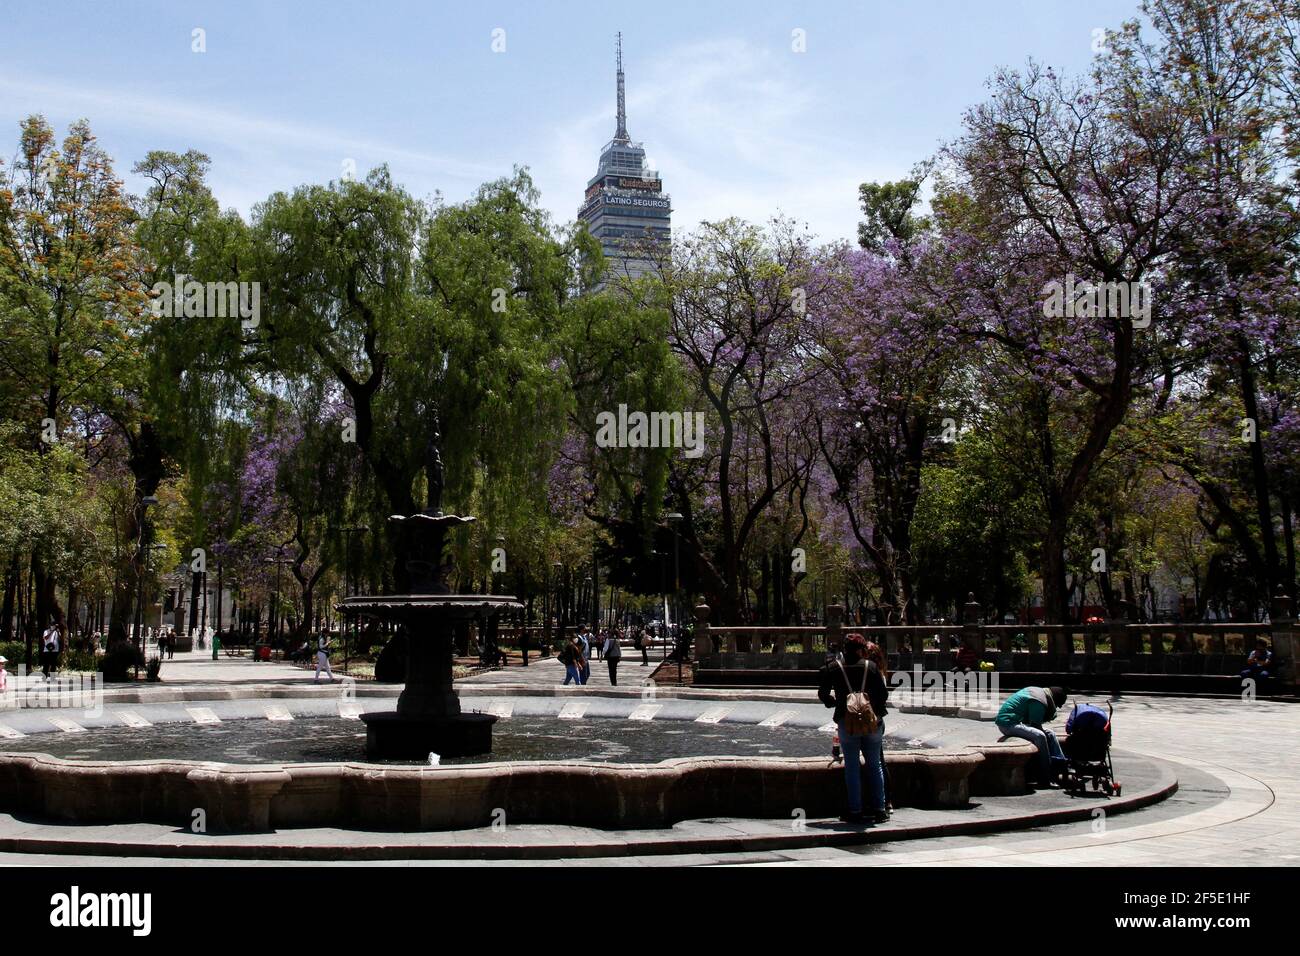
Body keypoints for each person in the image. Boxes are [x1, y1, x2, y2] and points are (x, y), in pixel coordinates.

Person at [818, 633, 889, 824]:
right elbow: (883, 695)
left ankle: (855, 810)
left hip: (846, 722)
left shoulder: (834, 668)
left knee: (851, 766)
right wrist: (868, 706)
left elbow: (822, 693)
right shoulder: (871, 667)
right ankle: (880, 809)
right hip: (871, 722)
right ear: (860, 649)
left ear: (844, 649)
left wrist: (837, 703)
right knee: (874, 765)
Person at [996, 685, 1068, 786]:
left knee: (1051, 733)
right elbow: (1035, 724)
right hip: (1008, 724)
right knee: (1040, 736)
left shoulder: (1039, 693)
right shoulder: (1039, 700)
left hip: (1018, 722)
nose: (1055, 707)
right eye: (1056, 705)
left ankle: (1062, 764)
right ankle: (1045, 776)